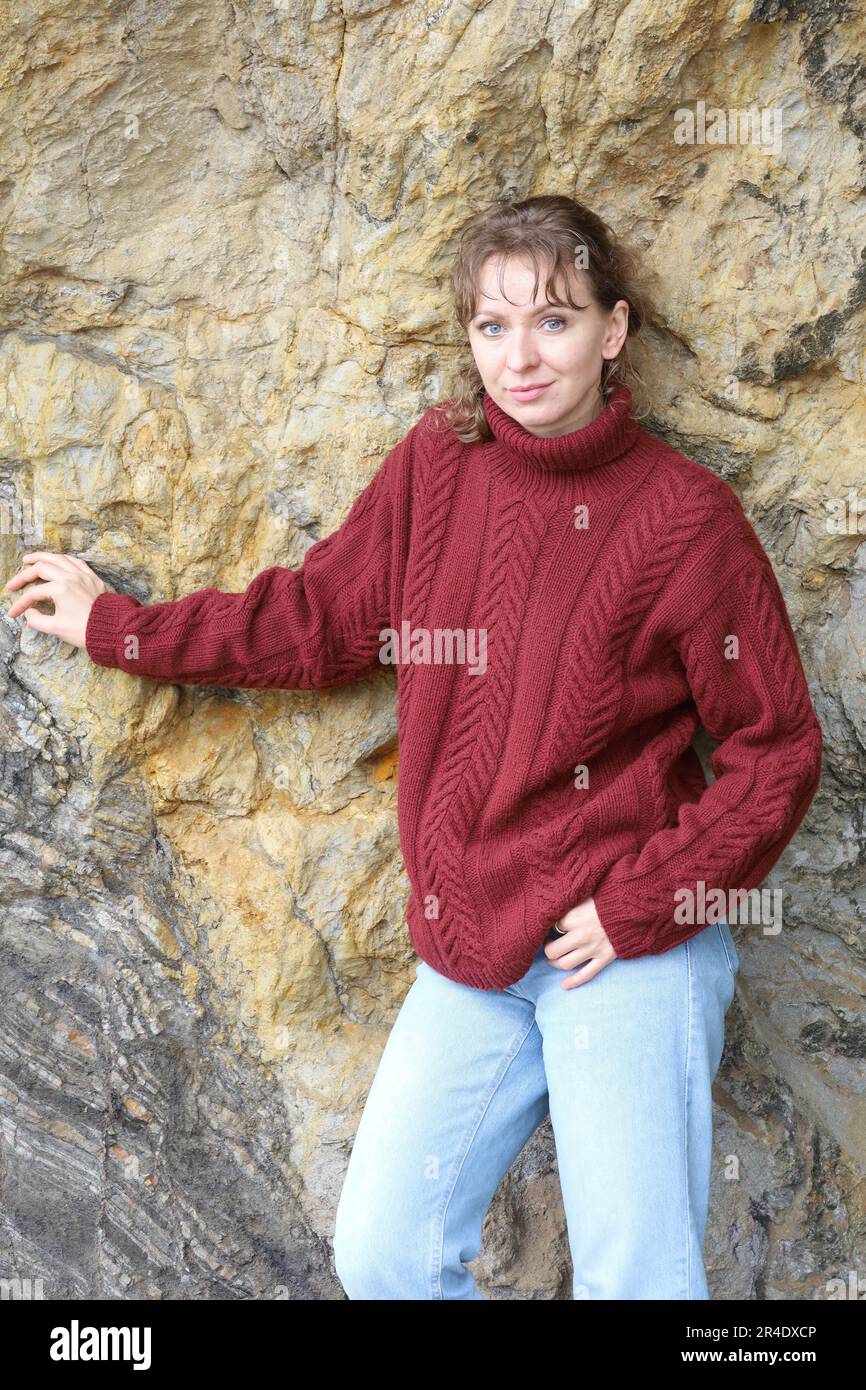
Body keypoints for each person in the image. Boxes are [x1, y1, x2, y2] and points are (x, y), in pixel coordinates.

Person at [4, 194, 823, 1300]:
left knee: (639, 1282)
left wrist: (646, 905)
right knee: (385, 1255)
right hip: (474, 947)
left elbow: (774, 750)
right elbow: (315, 620)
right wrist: (119, 626)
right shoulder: (437, 466)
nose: (520, 357)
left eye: (553, 320)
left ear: (613, 330)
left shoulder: (686, 521)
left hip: (624, 952)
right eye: (492, 327)